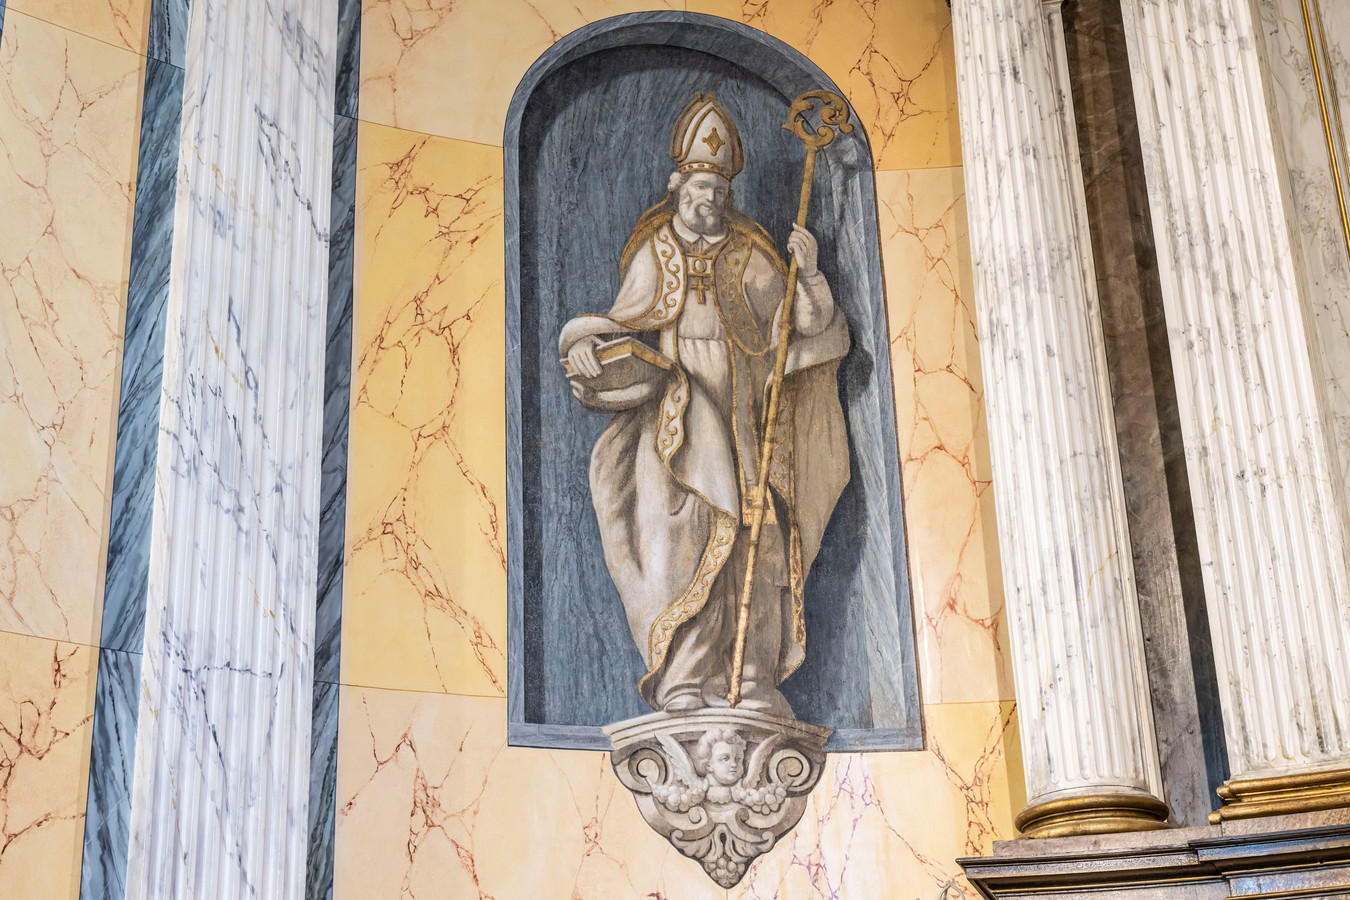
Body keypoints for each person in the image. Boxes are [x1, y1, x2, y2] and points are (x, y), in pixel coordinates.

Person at [560, 93, 850, 717]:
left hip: (744, 416)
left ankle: (751, 680)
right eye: (698, 189)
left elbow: (804, 322)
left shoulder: (749, 253)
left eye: (718, 192)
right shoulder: (656, 250)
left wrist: (811, 271)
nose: (709, 201)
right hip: (679, 421)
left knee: (755, 537)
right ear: (677, 186)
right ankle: (684, 679)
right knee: (684, 542)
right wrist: (585, 346)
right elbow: (619, 322)